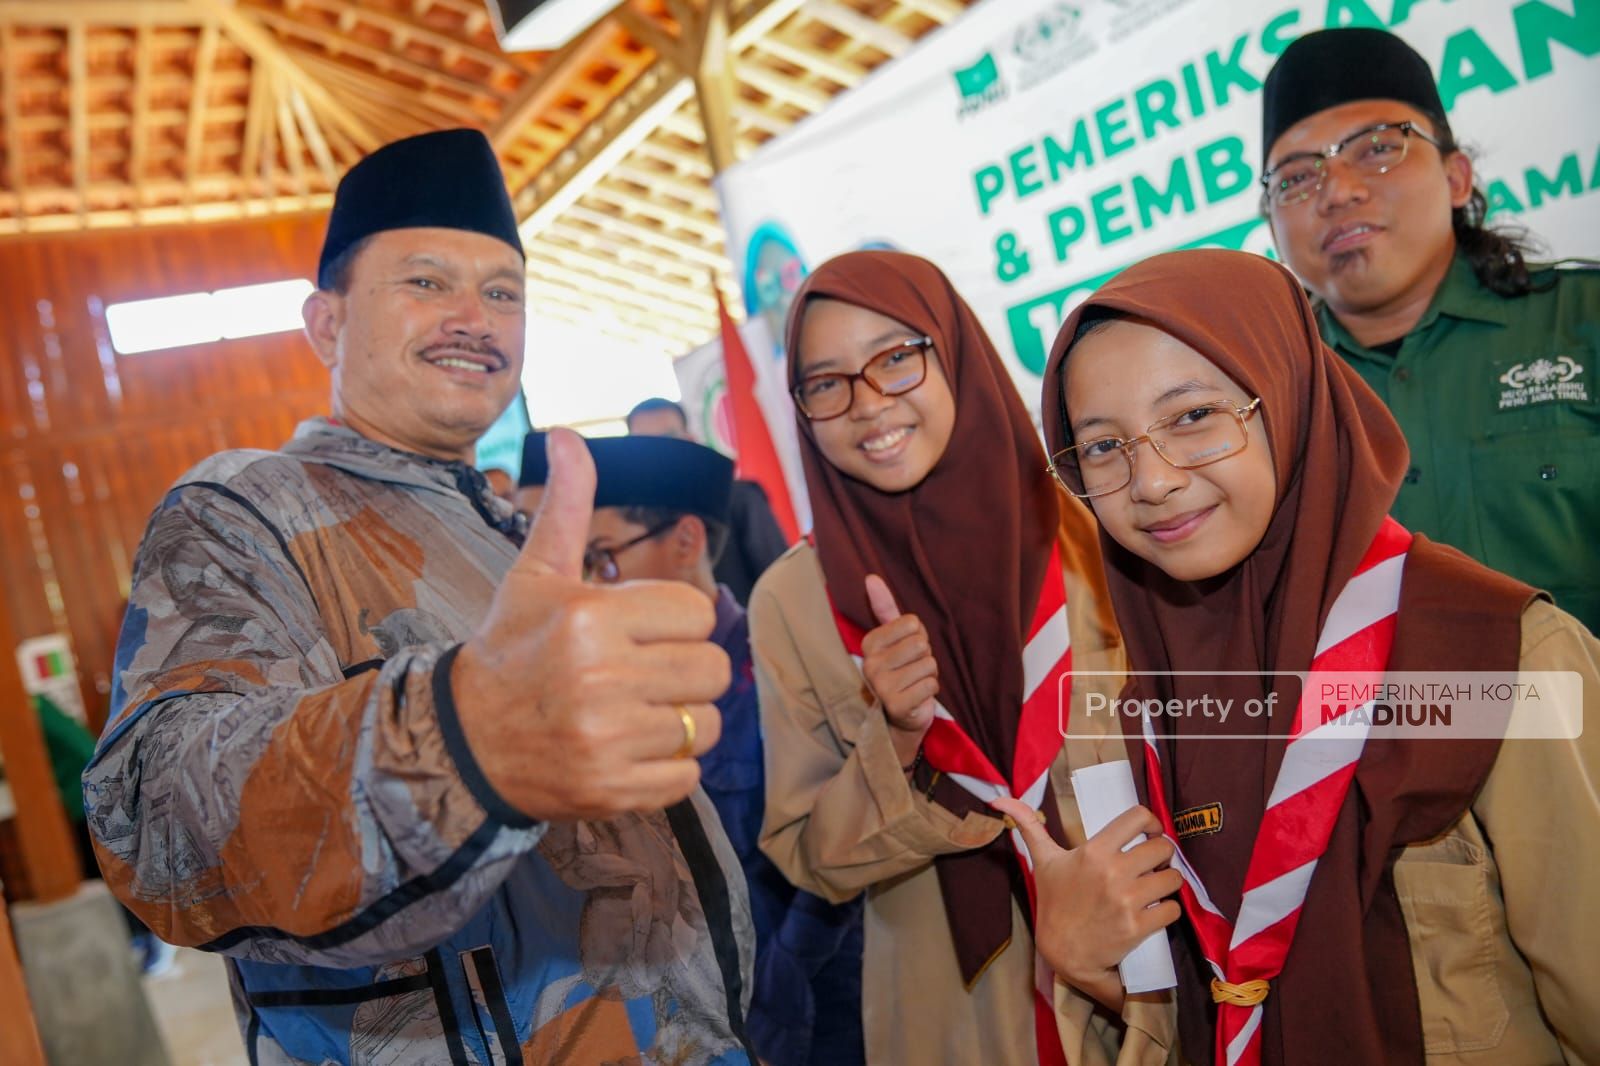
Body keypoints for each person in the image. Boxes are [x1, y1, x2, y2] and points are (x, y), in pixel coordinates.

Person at [81, 128, 758, 1065]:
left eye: (503, 291)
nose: (474, 317)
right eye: (427, 282)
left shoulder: (511, 533)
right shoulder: (246, 510)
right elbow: (158, 824)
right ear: (327, 323)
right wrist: (459, 739)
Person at [1011, 248, 1600, 1065]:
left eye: (1191, 417)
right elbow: (1193, 1013)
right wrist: (1081, 959)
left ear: (1288, 397)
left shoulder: (1495, 660)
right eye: (1103, 448)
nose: (1149, 481)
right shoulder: (1128, 711)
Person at [749, 250, 1174, 1065]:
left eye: (897, 358)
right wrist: (896, 735)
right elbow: (813, 861)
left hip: (1151, 941)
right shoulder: (794, 601)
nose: (868, 404)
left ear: (954, 352)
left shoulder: (1089, 512)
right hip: (953, 1003)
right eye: (827, 382)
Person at [522, 430, 866, 1066]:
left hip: (816, 1014)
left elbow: (836, 858)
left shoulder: (777, 673)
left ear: (685, 540)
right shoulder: (608, 695)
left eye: (603, 559)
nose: (592, 588)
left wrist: (773, 992)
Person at [1258, 26, 1600, 632]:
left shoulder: (1584, 321)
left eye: (1377, 147)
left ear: (1456, 178)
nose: (1336, 191)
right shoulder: (1266, 402)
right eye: (1295, 178)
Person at [627, 397, 790, 604]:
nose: (658, 453)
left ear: (690, 441)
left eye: (668, 440)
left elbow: (782, 580)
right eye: (644, 445)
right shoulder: (634, 524)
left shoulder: (738, 499)